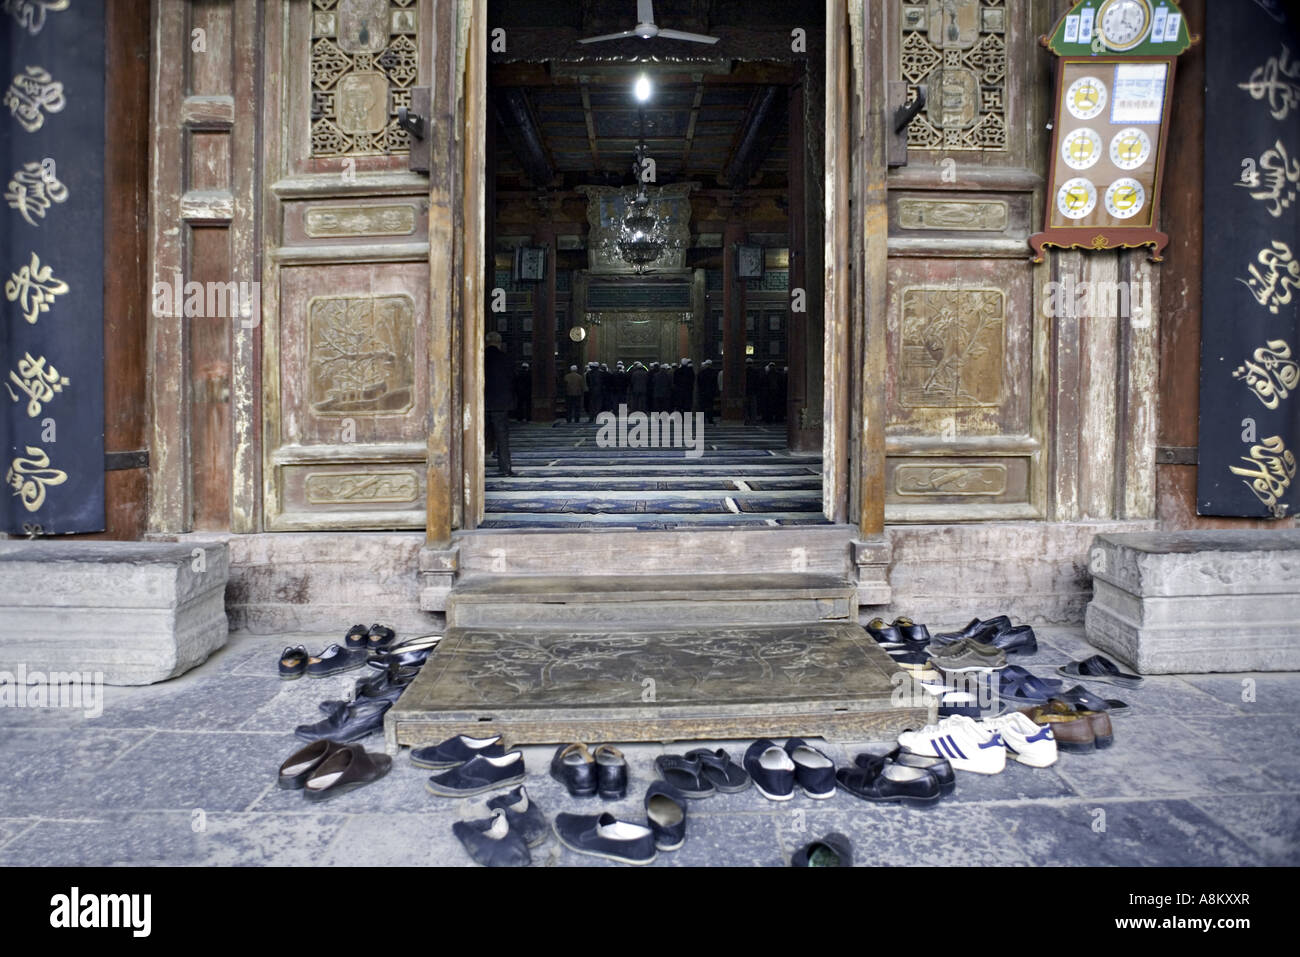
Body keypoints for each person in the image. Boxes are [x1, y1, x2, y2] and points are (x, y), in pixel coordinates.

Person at [484, 332, 515, 476]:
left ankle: (473, 467)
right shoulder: (505, 359)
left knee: (478, 435)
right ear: (499, 343)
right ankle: (505, 467)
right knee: (502, 436)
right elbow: (511, 380)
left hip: (481, 402)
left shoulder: (478, 357)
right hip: (500, 403)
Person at [697, 359, 718, 424]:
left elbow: (699, 383)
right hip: (711, 393)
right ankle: (710, 420)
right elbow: (715, 384)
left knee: (702, 407)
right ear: (711, 365)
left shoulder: (701, 373)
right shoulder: (714, 372)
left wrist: (700, 391)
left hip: (702, 392)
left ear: (706, 365)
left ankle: (702, 420)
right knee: (710, 407)